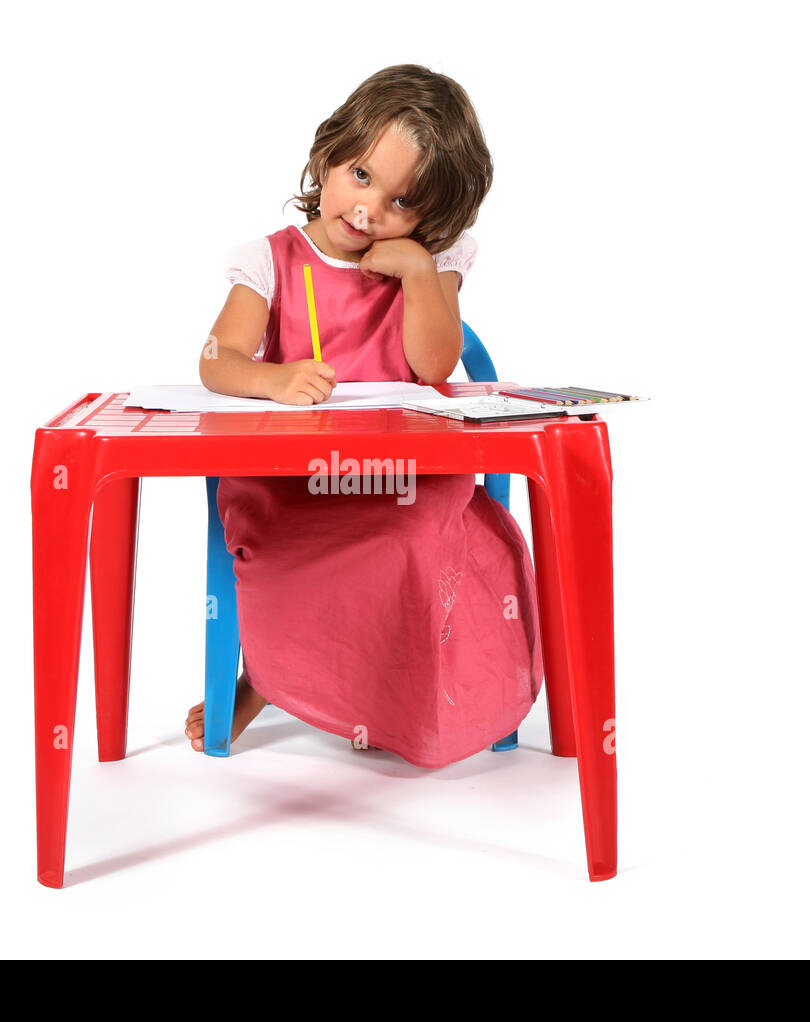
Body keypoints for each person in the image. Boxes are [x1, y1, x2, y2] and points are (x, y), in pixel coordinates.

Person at [185, 63, 543, 769]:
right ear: (328, 155)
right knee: (298, 546)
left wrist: (415, 273)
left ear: (431, 218)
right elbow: (216, 358)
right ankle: (268, 679)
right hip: (292, 484)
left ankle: (392, 702)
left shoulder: (431, 263)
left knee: (409, 537)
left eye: (403, 201)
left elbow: (437, 364)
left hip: (405, 481)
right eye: (361, 175)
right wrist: (272, 377)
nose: (369, 208)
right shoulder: (271, 261)